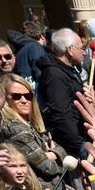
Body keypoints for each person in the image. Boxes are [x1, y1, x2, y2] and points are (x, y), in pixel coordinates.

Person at [0, 74, 67, 183]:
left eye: (28, 96)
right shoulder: (17, 129)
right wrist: (56, 155)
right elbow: (47, 167)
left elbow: (61, 150)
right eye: (16, 96)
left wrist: (50, 154)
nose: (24, 100)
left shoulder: (28, 124)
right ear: (4, 99)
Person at [36, 30, 88, 158]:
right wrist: (79, 144)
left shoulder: (66, 70)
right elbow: (61, 113)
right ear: (70, 50)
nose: (84, 52)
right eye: (81, 48)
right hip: (75, 145)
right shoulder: (54, 75)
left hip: (81, 136)